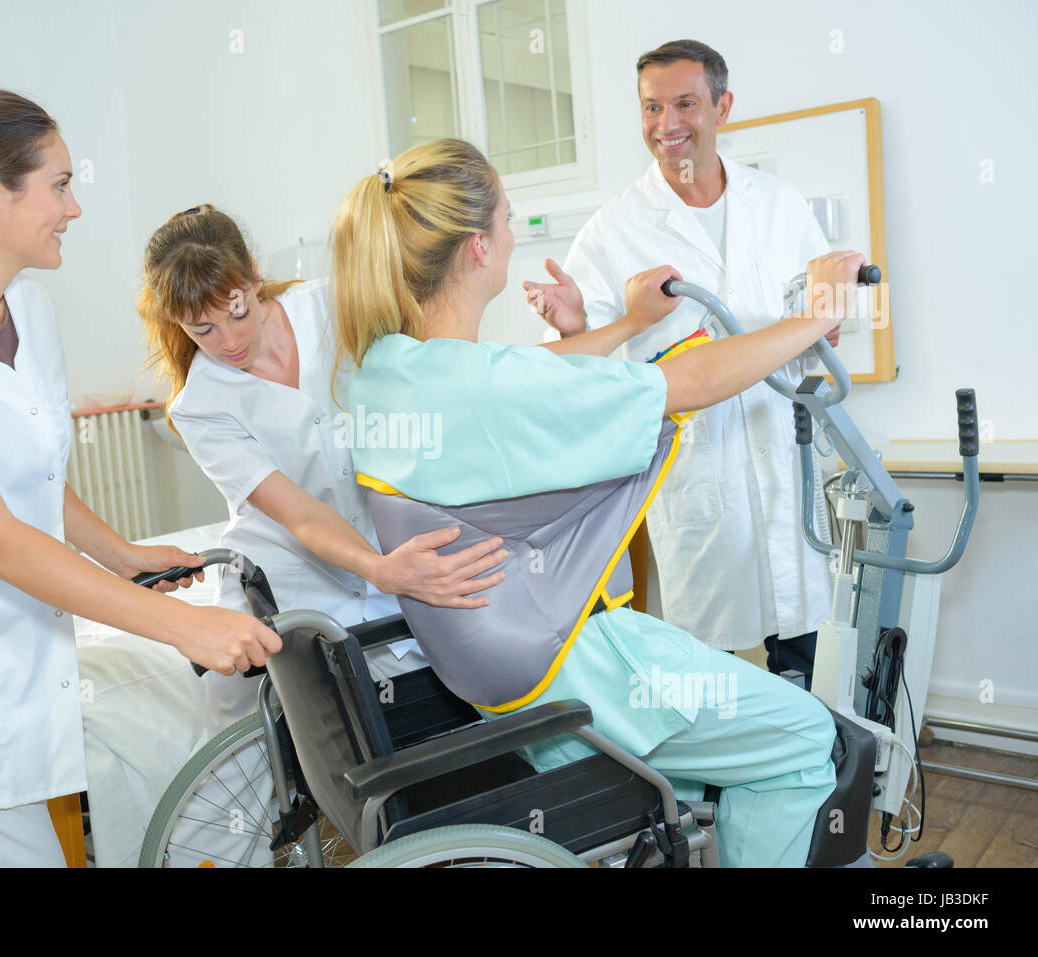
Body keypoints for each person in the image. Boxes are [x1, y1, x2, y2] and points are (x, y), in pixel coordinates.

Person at [331, 137, 866, 866]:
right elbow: (687, 385)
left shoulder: (389, 369)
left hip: (503, 670)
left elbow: (525, 372)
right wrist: (816, 315)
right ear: (477, 249)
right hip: (575, 666)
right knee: (806, 736)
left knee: (722, 711)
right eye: (509, 220)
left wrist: (622, 327)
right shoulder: (482, 387)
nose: (515, 234)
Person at [0, 77, 278, 867]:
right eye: (60, 185)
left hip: (16, 669)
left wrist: (124, 554)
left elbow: (31, 477)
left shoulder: (28, 312)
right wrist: (185, 627)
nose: (74, 207)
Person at [524, 40, 835, 688]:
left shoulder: (779, 205)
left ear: (722, 106)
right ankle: (721, 790)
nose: (667, 125)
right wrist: (580, 323)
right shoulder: (614, 230)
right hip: (700, 476)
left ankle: (817, 783)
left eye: (685, 104)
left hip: (789, 457)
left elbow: (824, 325)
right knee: (710, 674)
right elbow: (578, 370)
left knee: (808, 656)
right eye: (652, 108)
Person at [140, 204, 507, 732]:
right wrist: (381, 569)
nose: (229, 341)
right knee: (244, 753)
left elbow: (442, 368)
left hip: (385, 553)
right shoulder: (200, 403)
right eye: (203, 330)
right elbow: (301, 516)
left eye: (238, 312)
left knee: (431, 724)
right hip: (290, 570)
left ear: (255, 277)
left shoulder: (337, 306)